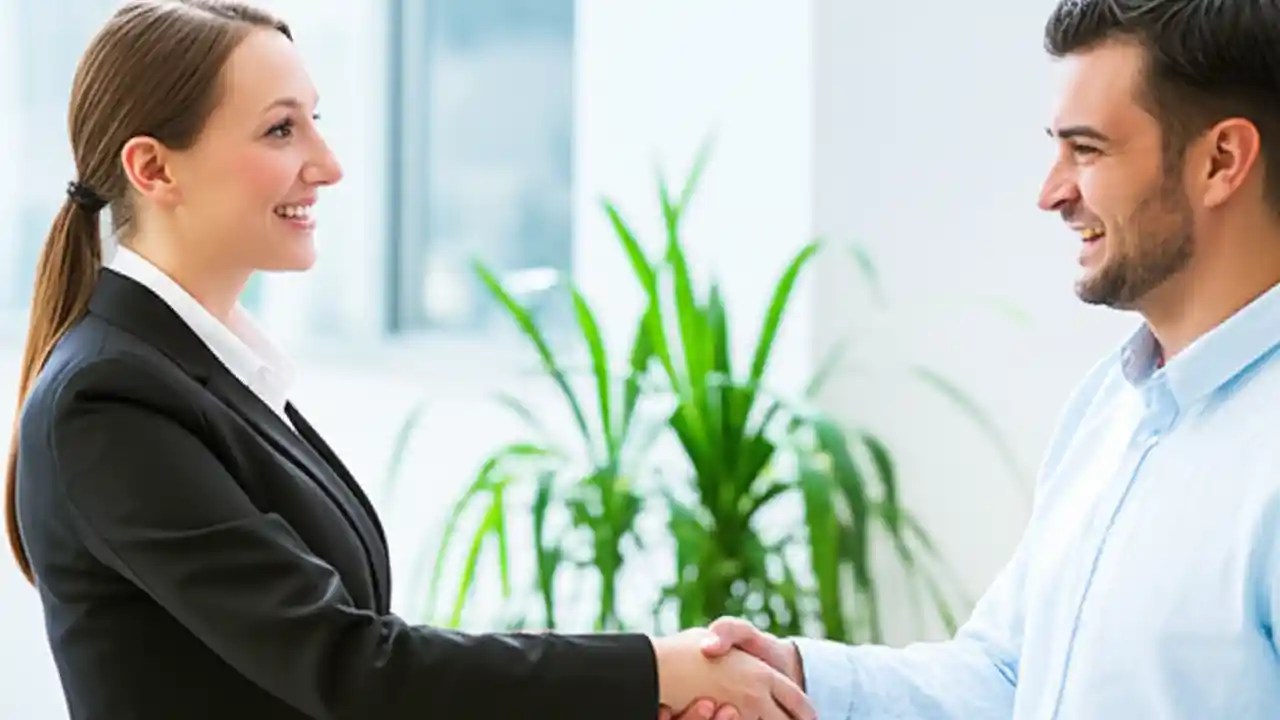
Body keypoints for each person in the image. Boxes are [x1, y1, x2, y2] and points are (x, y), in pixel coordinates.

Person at [1, 2, 817, 719]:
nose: (328, 163)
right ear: (153, 167)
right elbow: (351, 668)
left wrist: (650, 682)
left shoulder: (207, 375)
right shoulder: (107, 403)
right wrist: (650, 672)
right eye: (282, 128)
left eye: (315, 120)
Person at [664, 0, 1280, 718]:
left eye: (1087, 150)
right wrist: (799, 676)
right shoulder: (1111, 407)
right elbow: (1008, 672)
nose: (1051, 192)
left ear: (1222, 160)